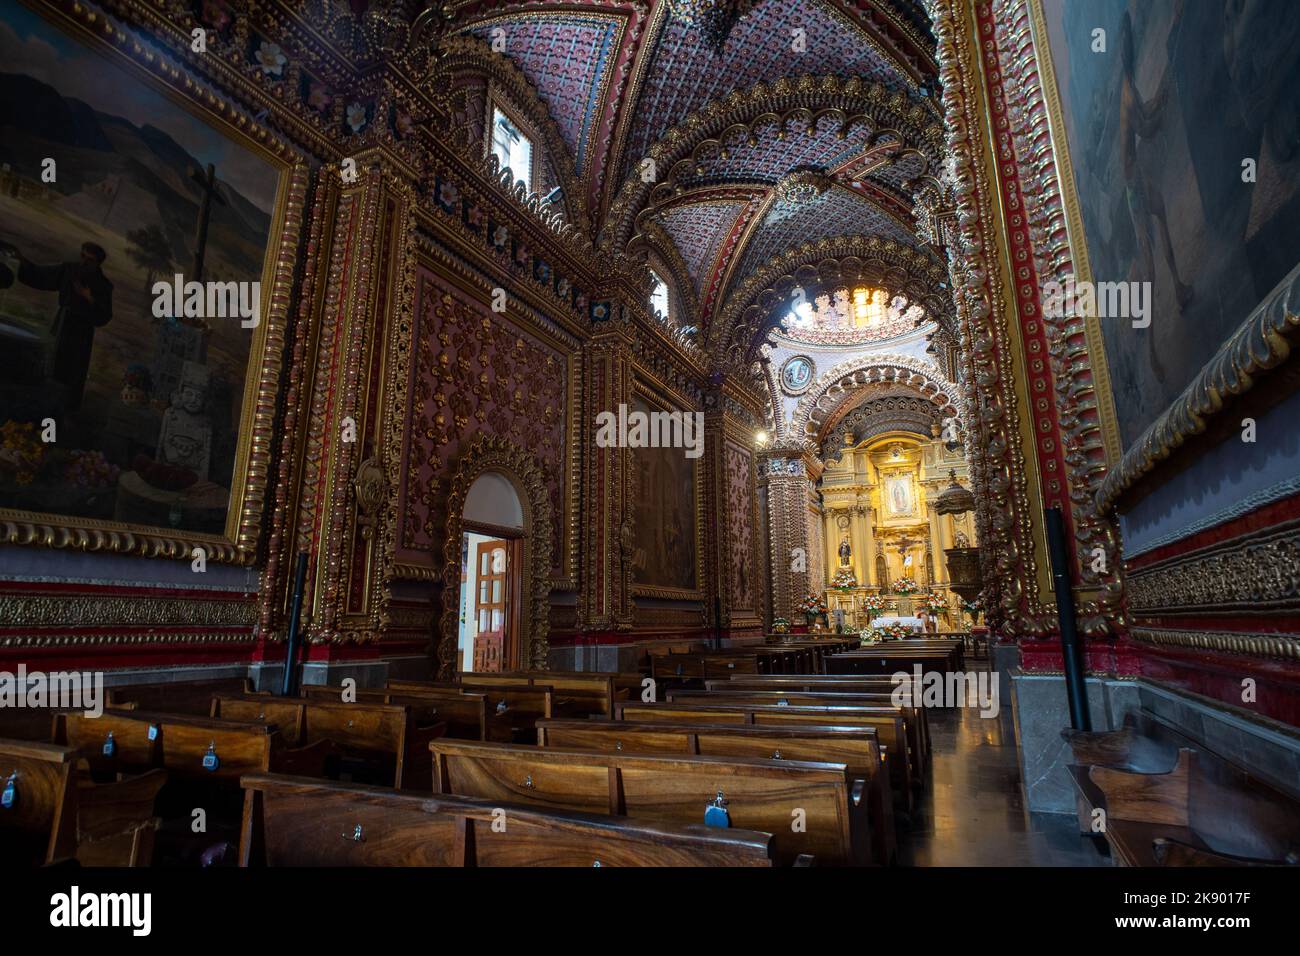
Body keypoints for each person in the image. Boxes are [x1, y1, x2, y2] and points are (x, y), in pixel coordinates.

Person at [15, 241, 114, 410]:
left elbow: (104, 316)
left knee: (73, 370)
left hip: (82, 332)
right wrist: (23, 262)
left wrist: (89, 298)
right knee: (51, 362)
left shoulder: (103, 285)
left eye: (89, 260)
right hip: (62, 323)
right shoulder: (70, 270)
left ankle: (63, 409)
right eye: (82, 256)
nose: (83, 262)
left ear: (98, 263)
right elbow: (42, 276)